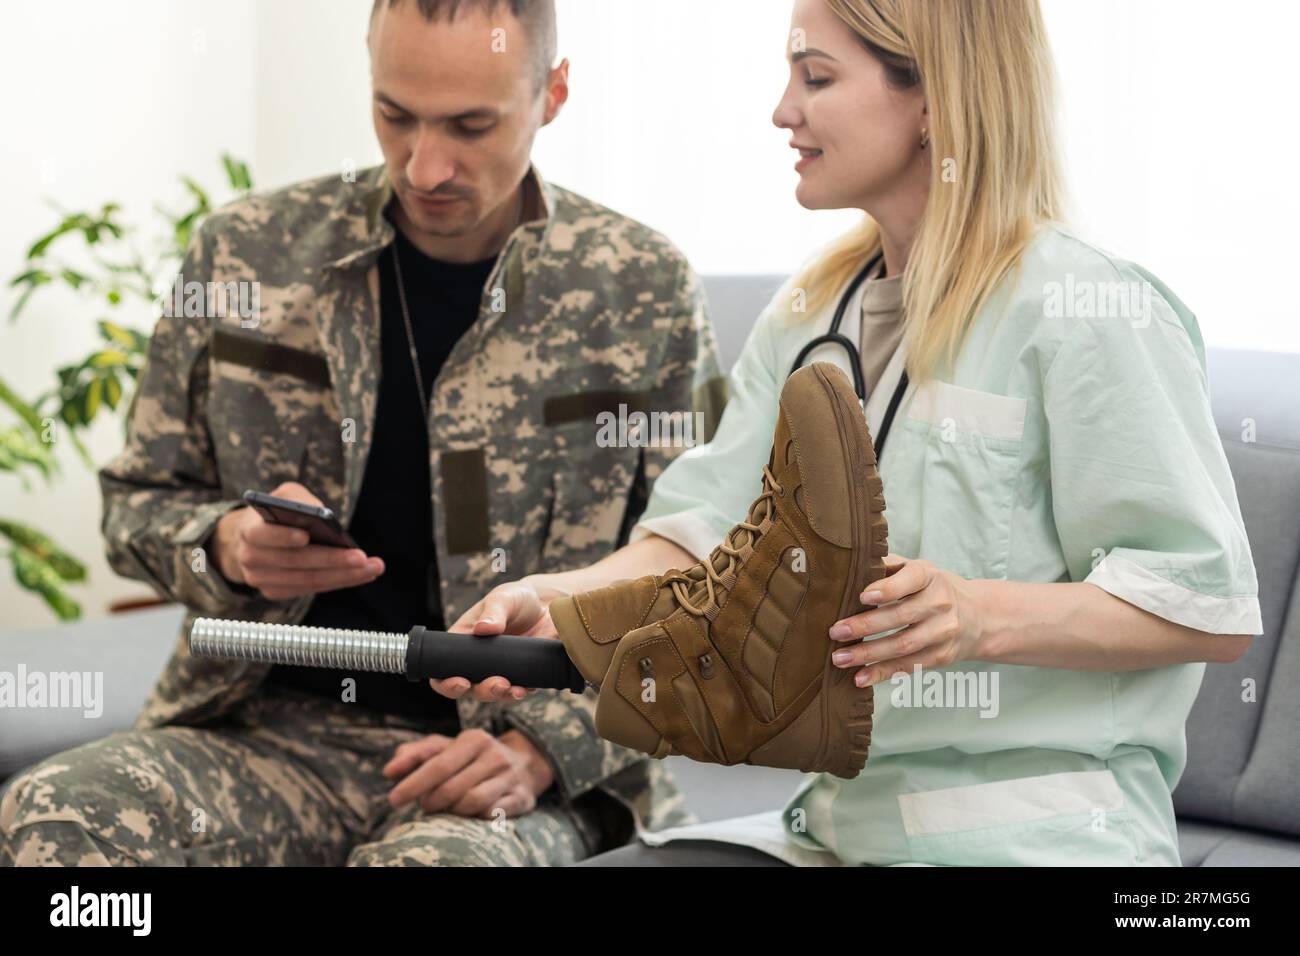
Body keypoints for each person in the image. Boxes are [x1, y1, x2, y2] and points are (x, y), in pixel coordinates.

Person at [432, 0, 1261, 866]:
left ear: (936, 97)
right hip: (833, 829)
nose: (783, 110)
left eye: (816, 77)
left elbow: (1204, 604)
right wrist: (560, 603)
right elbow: (702, 539)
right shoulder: (810, 311)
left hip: (1038, 835)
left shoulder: (1088, 309)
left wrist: (976, 616)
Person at [0, 0, 726, 867]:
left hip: (513, 761)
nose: (425, 166)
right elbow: (136, 506)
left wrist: (541, 751)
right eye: (395, 115)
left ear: (553, 94)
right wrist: (225, 545)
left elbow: (710, 585)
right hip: (264, 737)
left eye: (470, 125)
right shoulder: (247, 255)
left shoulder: (641, 290)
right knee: (53, 813)